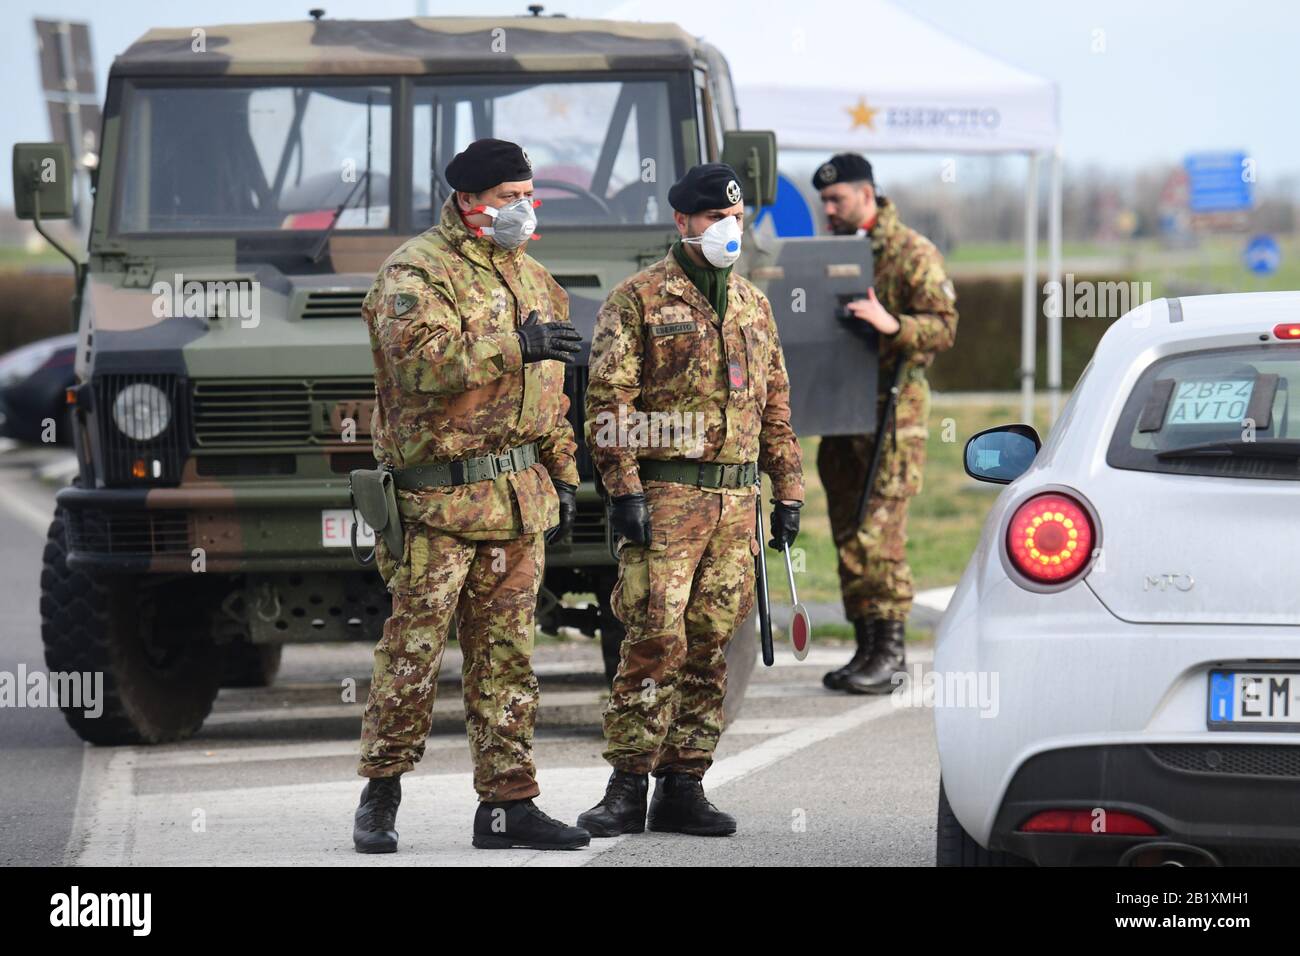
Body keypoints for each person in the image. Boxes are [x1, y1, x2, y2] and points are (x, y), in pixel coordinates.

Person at [352, 137, 590, 853]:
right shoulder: (416, 271)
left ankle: (508, 807)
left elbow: (549, 395)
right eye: (510, 199)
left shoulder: (535, 278)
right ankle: (381, 793)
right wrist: (519, 347)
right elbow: (420, 365)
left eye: (528, 196)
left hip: (517, 503)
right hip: (436, 506)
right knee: (413, 653)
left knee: (508, 657)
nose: (524, 209)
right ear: (469, 201)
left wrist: (565, 472)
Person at [576, 163, 804, 837]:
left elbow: (777, 407)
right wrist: (623, 491)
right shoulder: (638, 299)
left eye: (735, 218)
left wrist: (787, 490)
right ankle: (625, 785)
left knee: (710, 643)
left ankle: (684, 781)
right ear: (683, 223)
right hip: (669, 498)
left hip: (736, 505)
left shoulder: (752, 305)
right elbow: (607, 403)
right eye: (714, 219)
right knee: (653, 637)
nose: (727, 229)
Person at [813, 152, 958, 695]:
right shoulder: (827, 252)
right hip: (841, 413)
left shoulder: (910, 252)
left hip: (893, 418)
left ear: (866, 194)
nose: (828, 208)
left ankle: (891, 653)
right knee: (848, 533)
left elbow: (943, 328)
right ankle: (866, 646)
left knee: (880, 537)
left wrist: (891, 323)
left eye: (837, 199)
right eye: (824, 200)